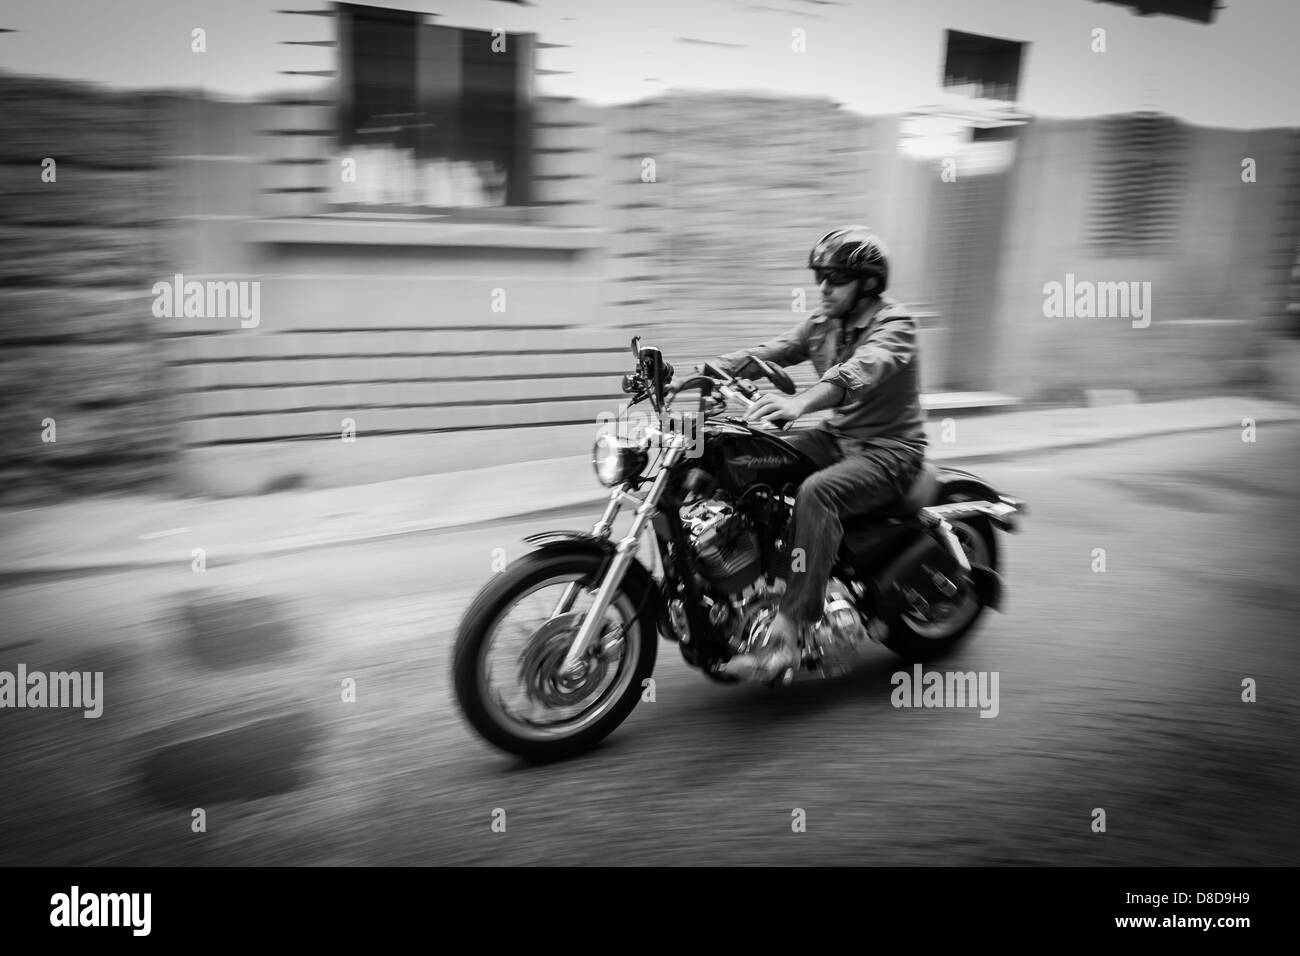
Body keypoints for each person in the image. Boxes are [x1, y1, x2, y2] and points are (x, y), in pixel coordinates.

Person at [711, 225, 927, 681]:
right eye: (820, 278)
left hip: (890, 451)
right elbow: (773, 352)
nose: (824, 288)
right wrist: (706, 370)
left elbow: (860, 371)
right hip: (836, 437)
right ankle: (742, 574)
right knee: (745, 457)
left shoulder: (896, 325)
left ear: (867, 283)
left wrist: (799, 404)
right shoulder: (823, 324)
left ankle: (790, 631)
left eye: (836, 279)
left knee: (817, 493)